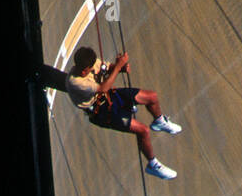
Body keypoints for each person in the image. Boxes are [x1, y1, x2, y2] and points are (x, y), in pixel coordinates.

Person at [65, 45, 181, 180]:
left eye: (87, 69)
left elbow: (107, 68)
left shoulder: (93, 62)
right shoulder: (75, 82)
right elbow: (102, 88)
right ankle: (153, 165)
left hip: (109, 97)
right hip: (101, 112)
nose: (84, 72)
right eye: (82, 70)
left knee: (152, 97)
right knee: (143, 130)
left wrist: (119, 67)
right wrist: (119, 67)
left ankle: (159, 121)